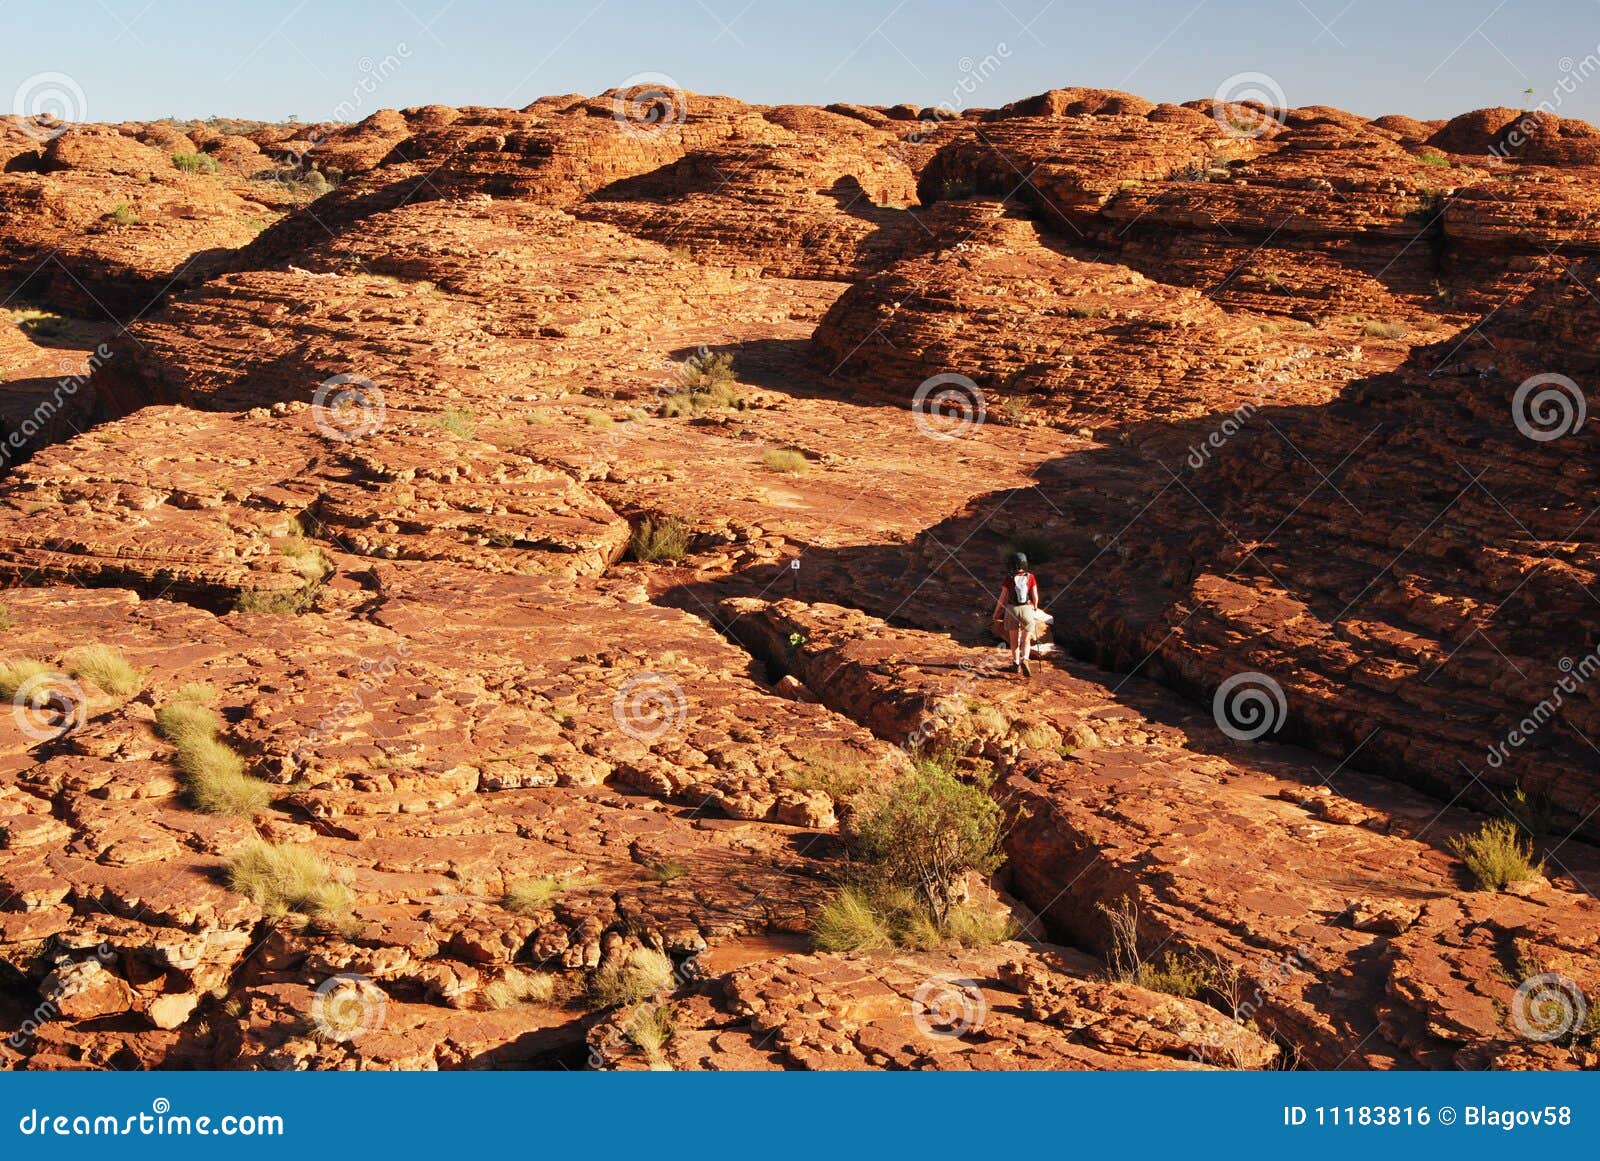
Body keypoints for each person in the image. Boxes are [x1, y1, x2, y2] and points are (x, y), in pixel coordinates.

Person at [993, 552, 1041, 678]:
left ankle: (1016, 664)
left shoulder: (1008, 578)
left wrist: (996, 613)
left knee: (1014, 641)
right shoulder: (1031, 577)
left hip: (1012, 609)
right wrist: (1035, 607)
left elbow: (1002, 598)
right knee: (1026, 639)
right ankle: (1025, 659)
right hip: (1027, 608)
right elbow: (1035, 596)